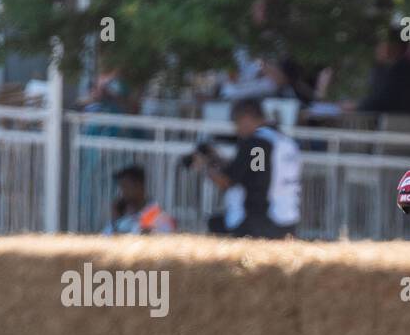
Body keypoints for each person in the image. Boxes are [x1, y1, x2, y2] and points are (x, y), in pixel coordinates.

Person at [192, 98, 301, 238]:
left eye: (236, 122)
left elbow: (248, 179)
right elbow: (258, 170)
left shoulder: (258, 143)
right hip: (288, 219)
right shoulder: (285, 141)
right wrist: (218, 160)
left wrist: (206, 165)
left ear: (246, 117)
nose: (236, 129)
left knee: (213, 225)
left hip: (259, 221)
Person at [102, 165, 175, 235]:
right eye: (121, 187)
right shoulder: (122, 217)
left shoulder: (158, 216)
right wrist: (115, 221)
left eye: (125, 186)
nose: (122, 192)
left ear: (139, 186)